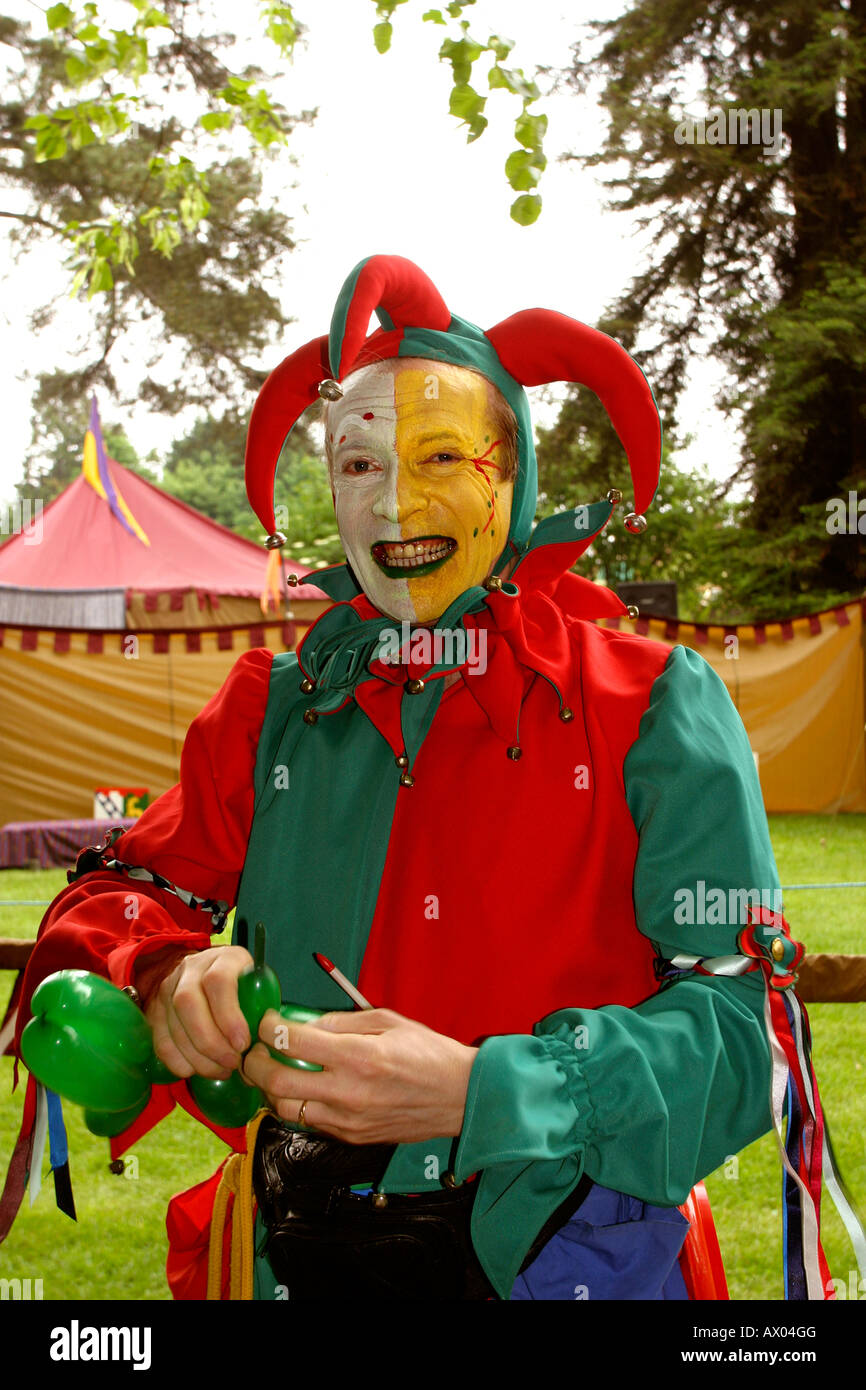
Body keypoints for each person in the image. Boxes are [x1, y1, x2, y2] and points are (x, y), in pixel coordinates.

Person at [11, 255, 830, 1300]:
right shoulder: (270, 707)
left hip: (569, 1260)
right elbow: (113, 897)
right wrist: (166, 974)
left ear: (512, 473)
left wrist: (484, 1089)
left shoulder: (655, 703)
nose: (394, 503)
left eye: (439, 455)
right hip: (294, 1255)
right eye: (358, 466)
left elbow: (742, 1037)